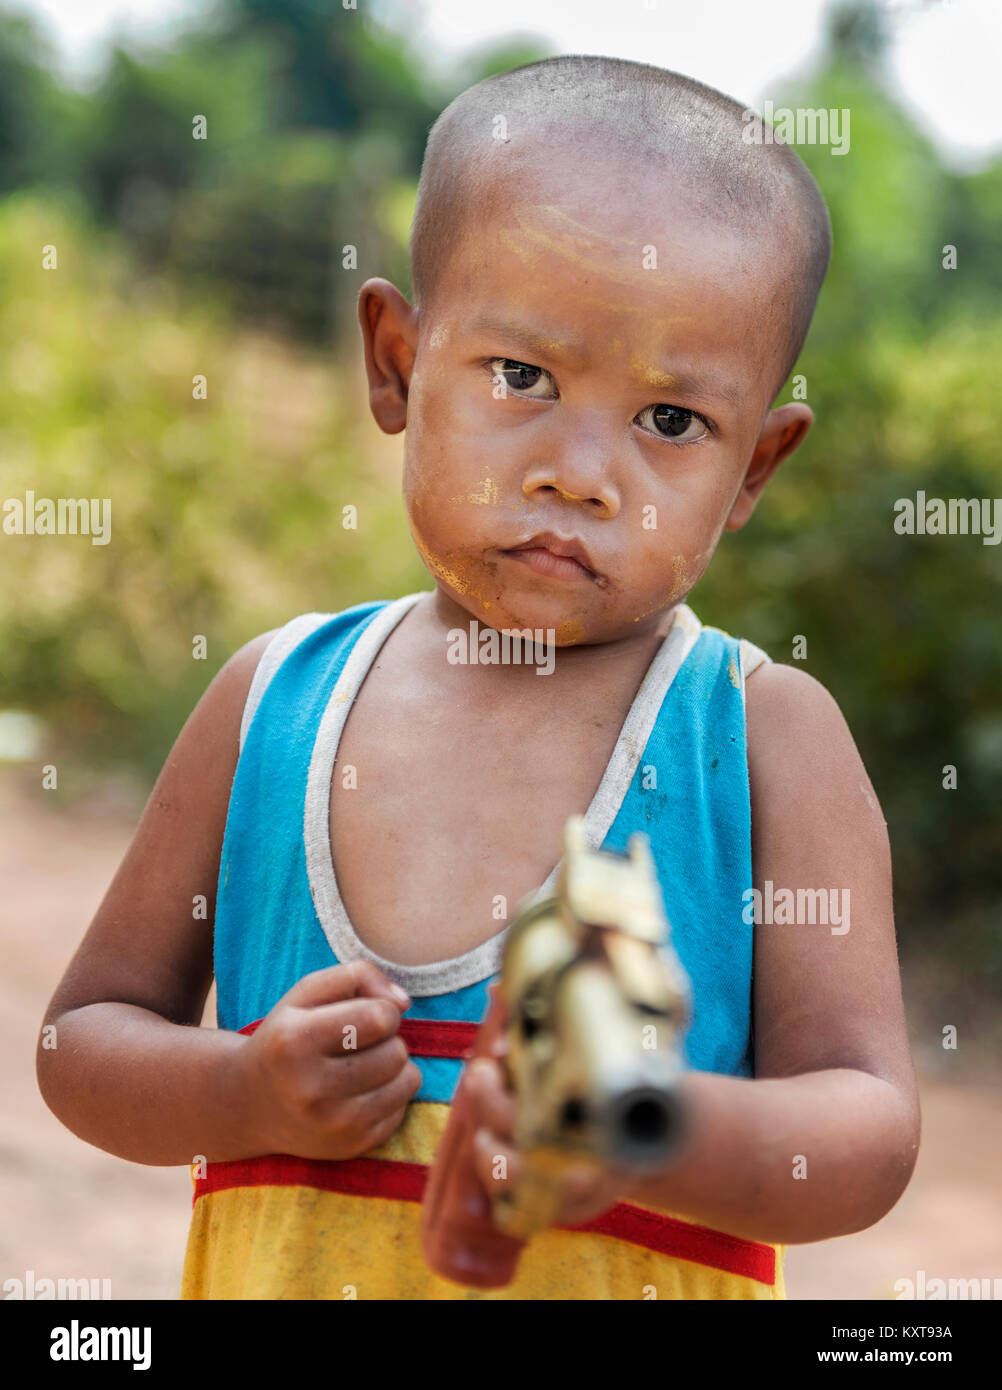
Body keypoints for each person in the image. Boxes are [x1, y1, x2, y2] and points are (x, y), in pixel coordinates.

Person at [37, 55, 920, 1300]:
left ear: (755, 471)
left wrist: (642, 1128)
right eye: (524, 378)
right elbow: (80, 1044)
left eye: (671, 421)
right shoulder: (274, 701)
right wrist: (240, 1090)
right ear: (397, 362)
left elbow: (869, 1130)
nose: (581, 472)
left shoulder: (760, 738)